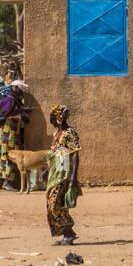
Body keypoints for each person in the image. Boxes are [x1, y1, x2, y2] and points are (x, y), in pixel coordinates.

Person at [45, 104, 81, 244]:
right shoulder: (56, 133)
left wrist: (73, 177)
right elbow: (54, 154)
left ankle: (69, 232)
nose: (52, 121)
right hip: (54, 171)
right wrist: (46, 171)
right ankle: (66, 233)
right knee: (52, 203)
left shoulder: (70, 133)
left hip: (64, 173)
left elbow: (75, 155)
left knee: (55, 203)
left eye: (53, 118)